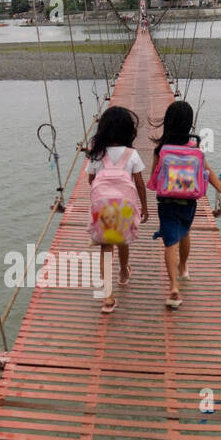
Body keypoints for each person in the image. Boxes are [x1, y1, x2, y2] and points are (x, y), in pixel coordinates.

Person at [148, 100, 221, 309]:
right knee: (185, 233)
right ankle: (184, 266)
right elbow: (210, 173)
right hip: (188, 201)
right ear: (190, 124)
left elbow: (153, 175)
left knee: (170, 241)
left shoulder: (160, 148)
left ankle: (173, 287)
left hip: (167, 202)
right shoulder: (196, 148)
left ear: (167, 122)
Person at [86, 105, 149, 313]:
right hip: (124, 208)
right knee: (123, 239)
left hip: (103, 207)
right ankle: (123, 272)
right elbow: (139, 183)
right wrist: (145, 208)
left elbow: (91, 180)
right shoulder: (131, 154)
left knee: (105, 247)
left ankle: (107, 297)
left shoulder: (96, 154)